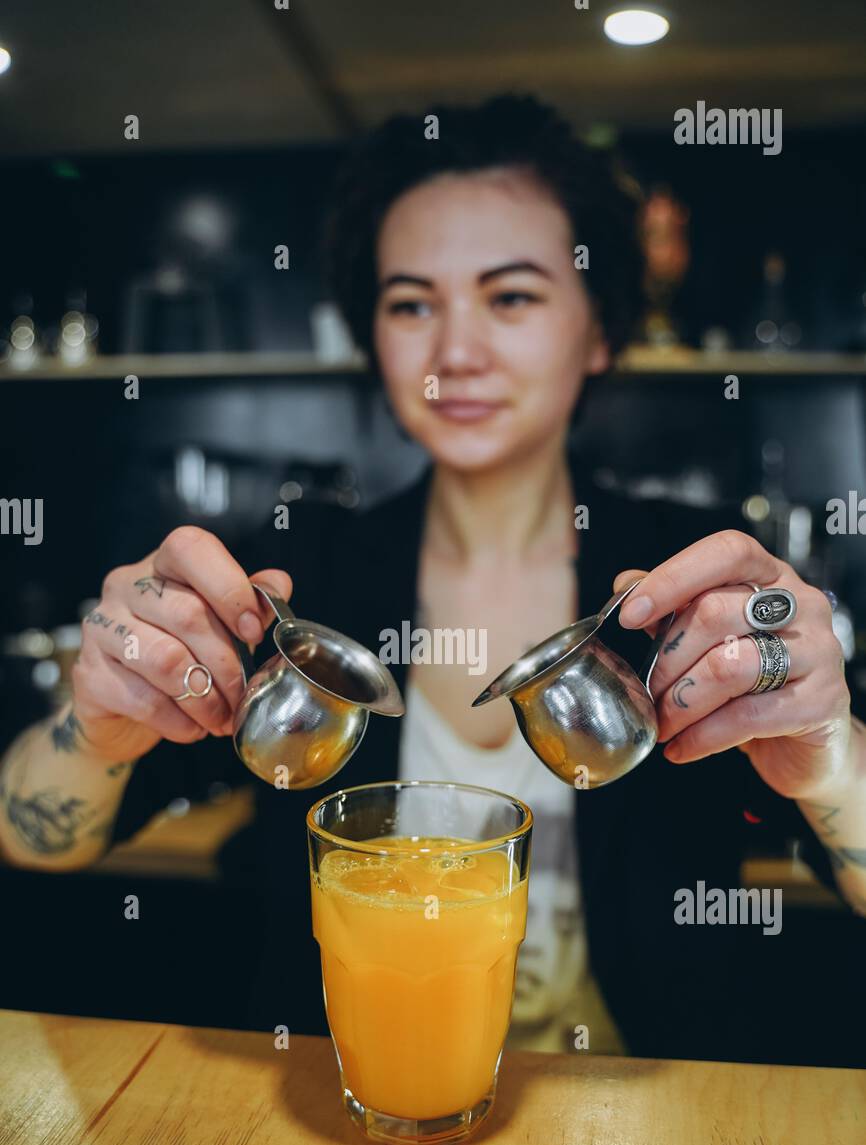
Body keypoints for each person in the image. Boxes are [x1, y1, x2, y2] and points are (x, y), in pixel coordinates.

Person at [1, 95, 864, 1065]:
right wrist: (100, 723)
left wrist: (827, 751)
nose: (454, 352)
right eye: (411, 302)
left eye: (511, 296)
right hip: (349, 1110)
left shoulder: (685, 588)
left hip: (643, 1141)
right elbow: (36, 837)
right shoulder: (299, 579)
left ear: (598, 329)